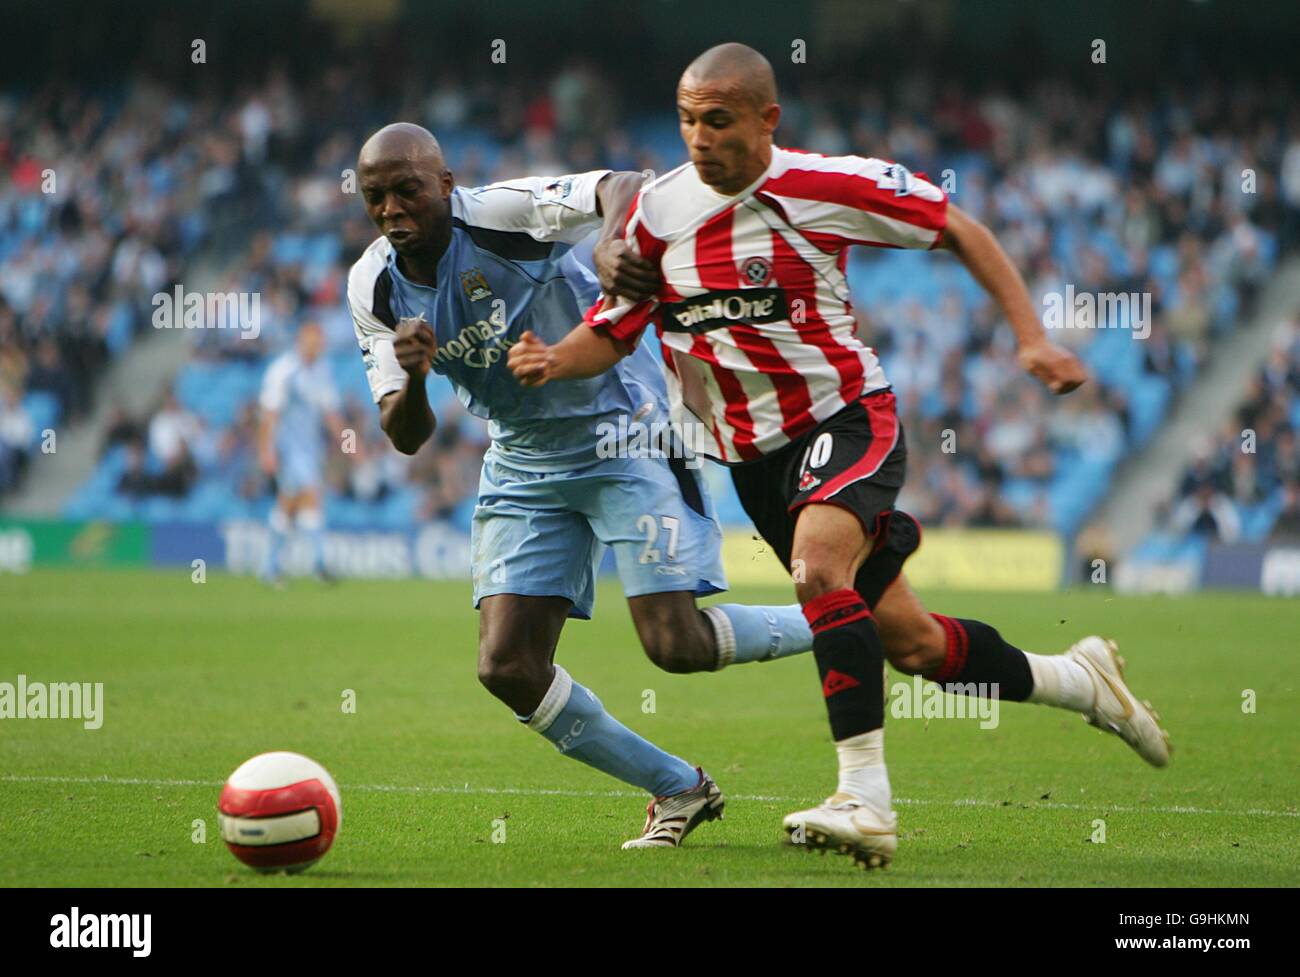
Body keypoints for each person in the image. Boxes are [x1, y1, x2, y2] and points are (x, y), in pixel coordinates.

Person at [508, 43, 1171, 869]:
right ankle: (1082, 681)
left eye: (717, 120)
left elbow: (956, 227)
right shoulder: (654, 213)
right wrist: (551, 359)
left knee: (818, 570)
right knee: (917, 645)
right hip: (750, 462)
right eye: (686, 119)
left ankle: (865, 797)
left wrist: (1031, 338)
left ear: (766, 118)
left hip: (846, 418)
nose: (699, 137)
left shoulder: (825, 186)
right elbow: (614, 330)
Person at [347, 122, 822, 849]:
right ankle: (679, 787)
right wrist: (412, 372)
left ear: (446, 184)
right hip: (524, 458)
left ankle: (841, 622)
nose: (390, 209)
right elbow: (406, 433)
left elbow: (624, 183)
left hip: (626, 431)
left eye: (406, 189)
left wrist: (610, 240)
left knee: (677, 644)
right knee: (506, 665)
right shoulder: (373, 285)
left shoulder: (503, 212)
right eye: (374, 196)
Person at [259, 320, 344, 584]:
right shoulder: (283, 371)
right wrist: (267, 451)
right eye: (313, 342)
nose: (317, 347)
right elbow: (269, 415)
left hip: (311, 449)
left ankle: (271, 567)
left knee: (288, 506)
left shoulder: (321, 371)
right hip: (288, 449)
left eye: (320, 343)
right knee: (311, 497)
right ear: (301, 341)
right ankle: (319, 563)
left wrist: (350, 443)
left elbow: (331, 415)